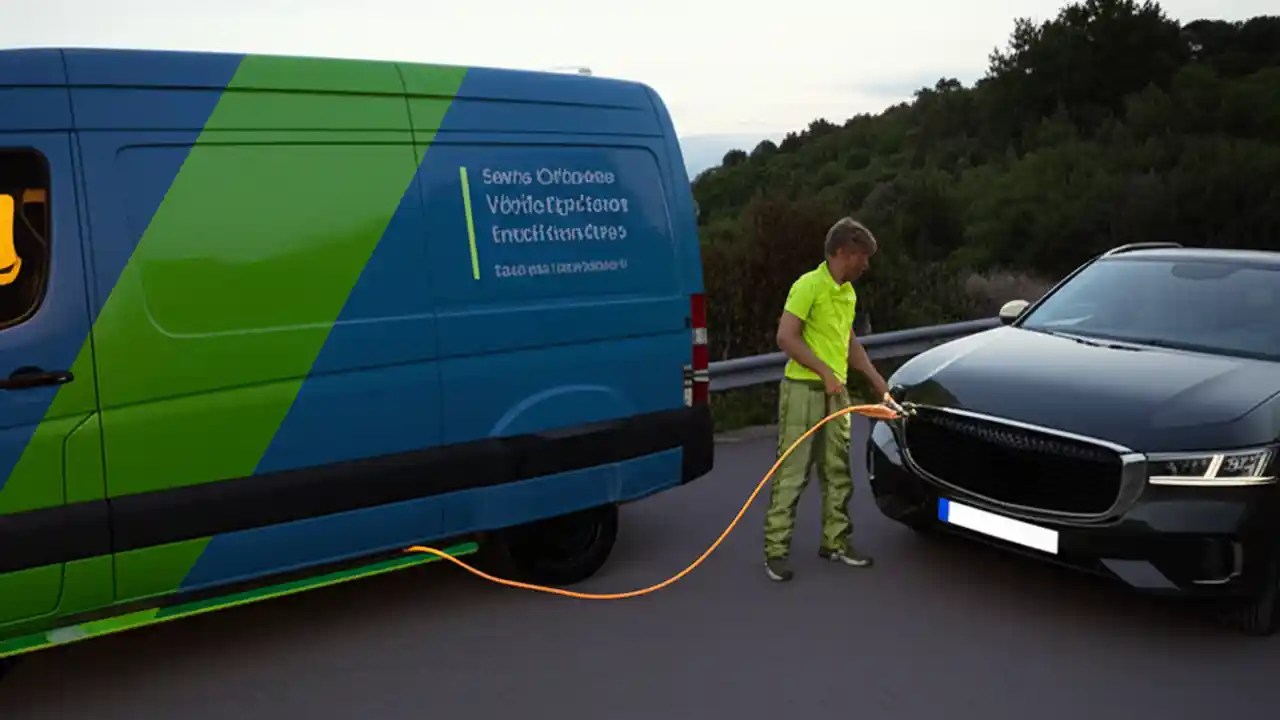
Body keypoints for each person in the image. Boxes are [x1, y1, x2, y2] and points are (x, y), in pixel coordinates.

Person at [763, 216, 888, 582]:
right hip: (804, 392)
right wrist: (824, 372)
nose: (866, 265)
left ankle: (835, 542)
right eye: (862, 257)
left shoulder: (847, 293)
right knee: (793, 473)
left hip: (837, 394)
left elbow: (848, 343)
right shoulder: (808, 286)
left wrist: (876, 380)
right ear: (843, 252)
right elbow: (786, 337)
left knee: (837, 471)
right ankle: (775, 552)